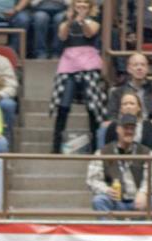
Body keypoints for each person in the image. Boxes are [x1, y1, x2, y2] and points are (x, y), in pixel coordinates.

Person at [49, 0, 104, 154]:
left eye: (84, 7)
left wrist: (82, 20)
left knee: (92, 106)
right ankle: (55, 147)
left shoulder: (94, 20)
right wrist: (70, 20)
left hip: (89, 62)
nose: (81, 9)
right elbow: (62, 36)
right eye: (78, 6)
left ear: (90, 8)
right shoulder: (65, 20)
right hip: (69, 63)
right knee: (63, 105)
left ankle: (95, 148)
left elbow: (89, 33)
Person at [87, 114, 152, 212]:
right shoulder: (102, 153)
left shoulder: (148, 153)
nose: (129, 131)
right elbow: (92, 180)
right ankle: (107, 227)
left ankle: (143, 228)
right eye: (126, 128)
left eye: (132, 128)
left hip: (138, 200)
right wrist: (106, 190)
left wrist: (144, 192)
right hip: (115, 200)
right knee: (99, 200)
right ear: (118, 129)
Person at [106, 53, 152, 126]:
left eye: (143, 65)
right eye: (135, 65)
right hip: (126, 126)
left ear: (147, 69)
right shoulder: (117, 92)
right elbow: (111, 116)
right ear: (128, 69)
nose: (139, 68)